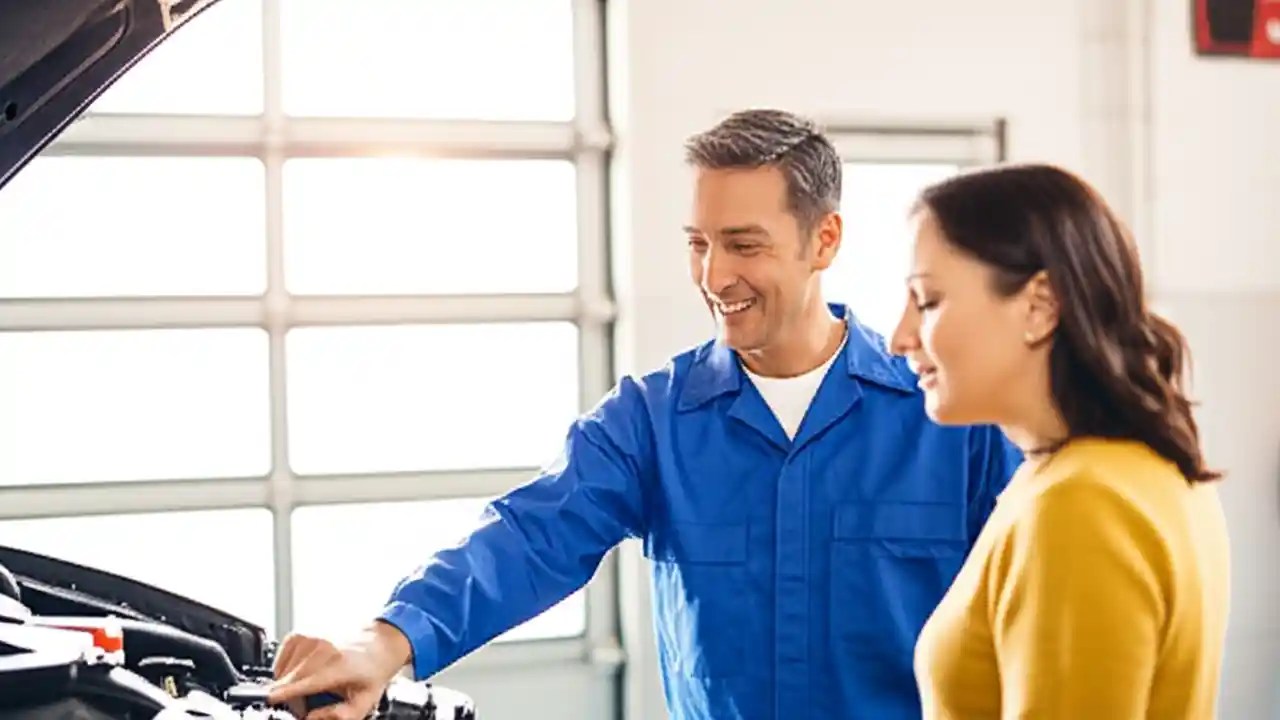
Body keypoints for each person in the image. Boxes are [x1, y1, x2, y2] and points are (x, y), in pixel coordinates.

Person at [268, 109, 1021, 720]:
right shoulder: (652, 421)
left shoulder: (951, 419)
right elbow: (526, 537)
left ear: (823, 240)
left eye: (743, 245)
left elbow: (1034, 617)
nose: (714, 275)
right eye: (698, 245)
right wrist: (383, 642)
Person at [889, 163, 1231, 718]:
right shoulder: (1136, 471)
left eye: (927, 301)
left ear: (1040, 305)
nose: (899, 338)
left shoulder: (1080, 505)